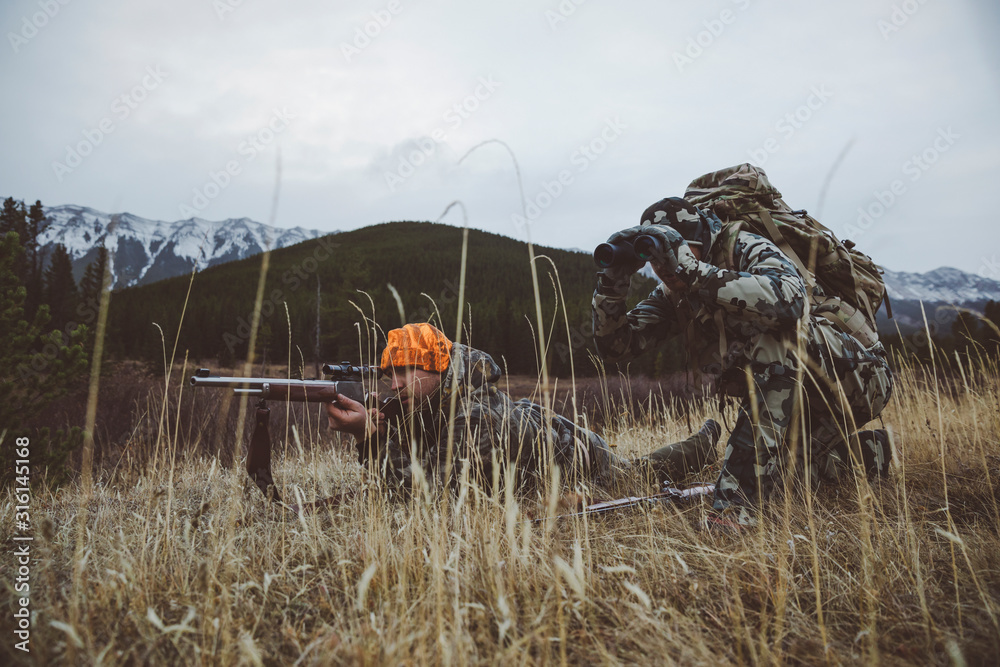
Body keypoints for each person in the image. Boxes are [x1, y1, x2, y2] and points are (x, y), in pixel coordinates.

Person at [592, 197, 894, 526]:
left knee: (776, 331)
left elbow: (790, 303)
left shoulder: (744, 246)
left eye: (672, 256)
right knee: (777, 480)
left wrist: (695, 273)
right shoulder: (674, 292)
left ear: (697, 245)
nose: (664, 269)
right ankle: (867, 455)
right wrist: (613, 282)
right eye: (655, 260)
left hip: (858, 379)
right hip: (795, 400)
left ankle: (734, 509)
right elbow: (618, 347)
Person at [324, 322, 720, 497]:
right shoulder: (434, 399)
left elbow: (432, 496)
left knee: (642, 474)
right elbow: (425, 454)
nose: (393, 384)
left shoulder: (475, 417)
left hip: (580, 456)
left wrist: (370, 436)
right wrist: (387, 427)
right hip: (535, 424)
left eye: (406, 372)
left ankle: (706, 442)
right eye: (390, 375)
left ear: (437, 369)